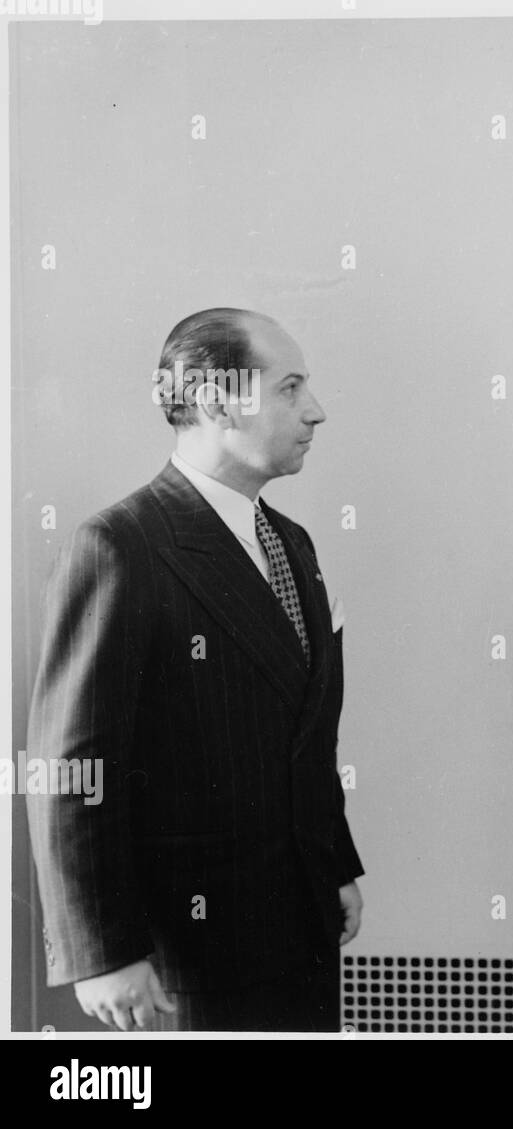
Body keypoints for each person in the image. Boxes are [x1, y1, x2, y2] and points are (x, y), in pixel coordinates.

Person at [25, 307, 364, 1032]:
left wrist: (335, 862)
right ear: (216, 398)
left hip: (300, 926)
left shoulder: (291, 543)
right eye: (290, 387)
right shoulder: (121, 545)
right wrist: (101, 952)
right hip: (191, 952)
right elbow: (70, 766)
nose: (316, 411)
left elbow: (305, 731)